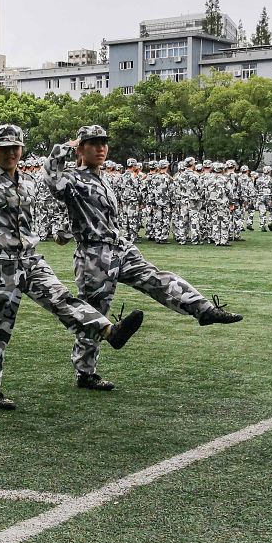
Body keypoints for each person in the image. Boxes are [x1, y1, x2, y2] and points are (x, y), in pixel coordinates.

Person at [0, 124, 144, 408]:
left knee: (63, 299)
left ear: (22, 150)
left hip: (31, 259)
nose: (10, 153)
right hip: (0, 265)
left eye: (15, 148)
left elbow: (55, 209)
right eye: (4, 148)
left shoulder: (27, 183)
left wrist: (63, 232)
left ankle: (111, 332)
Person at [44, 125, 243, 391]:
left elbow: (92, 215)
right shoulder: (72, 178)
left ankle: (204, 310)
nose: (101, 148)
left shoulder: (102, 178)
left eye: (104, 143)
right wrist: (66, 145)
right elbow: (50, 176)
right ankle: (85, 373)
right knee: (94, 311)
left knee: (157, 278)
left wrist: (68, 230)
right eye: (93, 144)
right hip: (95, 254)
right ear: (81, 148)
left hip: (120, 247)